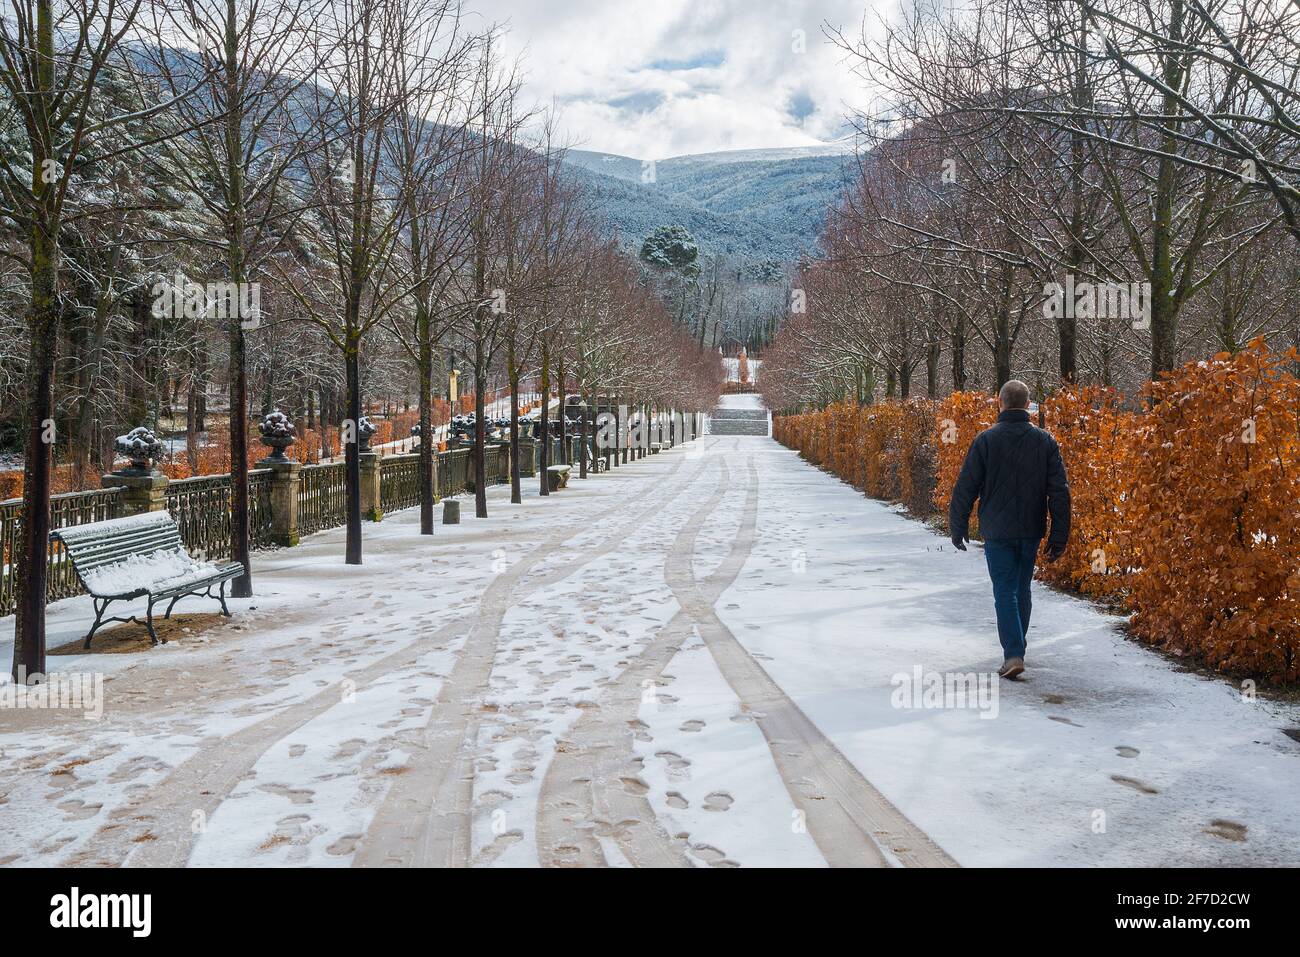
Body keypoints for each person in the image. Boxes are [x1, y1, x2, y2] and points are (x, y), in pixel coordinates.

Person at [948, 380, 1070, 680]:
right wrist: (1059, 534)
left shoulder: (986, 441)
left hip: (997, 529)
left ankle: (1013, 653)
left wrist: (958, 525)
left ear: (999, 403)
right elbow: (1059, 492)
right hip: (1031, 527)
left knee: (1004, 589)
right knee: (1021, 587)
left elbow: (966, 487)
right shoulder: (1045, 442)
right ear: (1028, 404)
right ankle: (1018, 649)